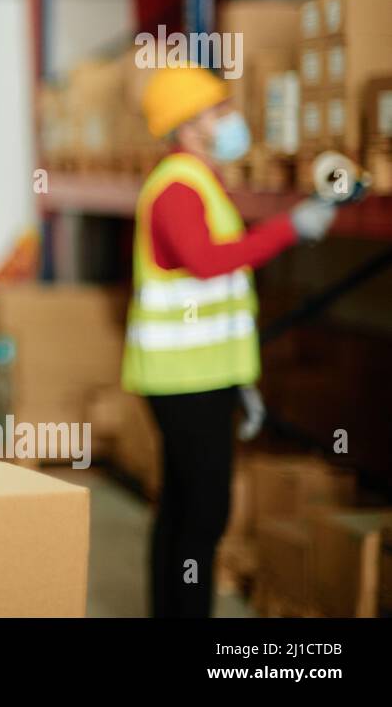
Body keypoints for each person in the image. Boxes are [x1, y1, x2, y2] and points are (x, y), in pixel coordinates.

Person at [123, 63, 336, 618]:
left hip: (201, 376)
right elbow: (207, 261)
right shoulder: (176, 188)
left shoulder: (197, 180)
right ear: (189, 125)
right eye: (219, 110)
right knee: (203, 513)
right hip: (184, 379)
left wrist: (240, 380)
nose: (230, 119)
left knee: (181, 507)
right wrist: (291, 226)